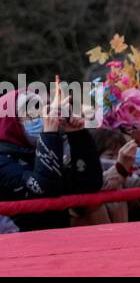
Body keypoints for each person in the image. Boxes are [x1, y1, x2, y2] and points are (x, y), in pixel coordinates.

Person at [0, 90, 102, 232]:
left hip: (60, 242)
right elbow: (44, 189)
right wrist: (48, 135)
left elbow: (88, 184)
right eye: (32, 110)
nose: (44, 116)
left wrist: (77, 135)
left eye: (46, 107)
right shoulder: (3, 161)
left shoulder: (41, 149)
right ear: (11, 122)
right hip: (22, 249)